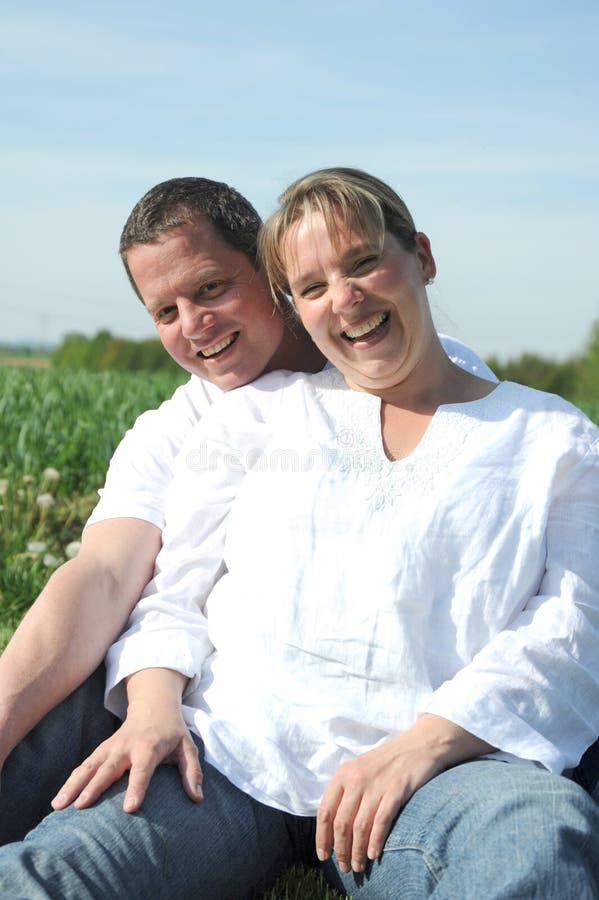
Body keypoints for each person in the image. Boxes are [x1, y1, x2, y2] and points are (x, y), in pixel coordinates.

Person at [1, 168, 597, 898]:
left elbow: (574, 621)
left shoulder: (547, 435)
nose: (343, 298)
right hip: (233, 752)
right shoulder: (239, 419)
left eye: (362, 263)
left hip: (430, 775)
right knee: (55, 869)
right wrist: (154, 709)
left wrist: (427, 742)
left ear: (422, 258)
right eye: (314, 285)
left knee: (530, 836)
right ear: (296, 299)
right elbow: (142, 581)